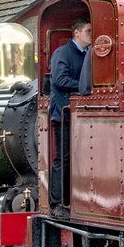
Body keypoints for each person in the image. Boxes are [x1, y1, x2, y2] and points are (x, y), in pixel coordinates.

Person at [48, 17, 93, 219]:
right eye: (88, 31)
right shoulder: (62, 53)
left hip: (83, 115)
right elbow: (59, 80)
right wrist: (86, 86)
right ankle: (56, 204)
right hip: (64, 114)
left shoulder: (89, 54)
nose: (91, 35)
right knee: (63, 159)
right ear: (76, 33)